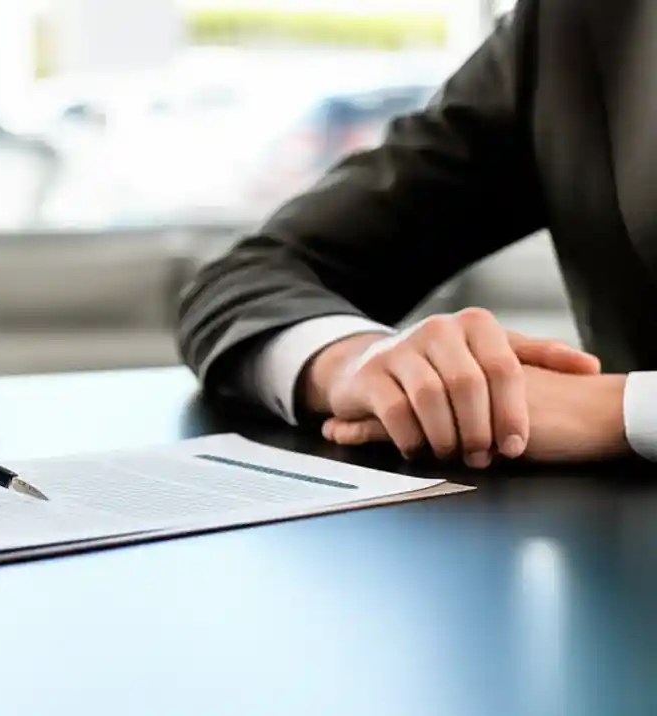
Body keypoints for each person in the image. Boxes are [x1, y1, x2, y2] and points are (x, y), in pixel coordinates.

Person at [178, 0, 657, 468]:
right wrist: (361, 366)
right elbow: (248, 278)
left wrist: (618, 410)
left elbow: (605, 410)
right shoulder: (575, 21)